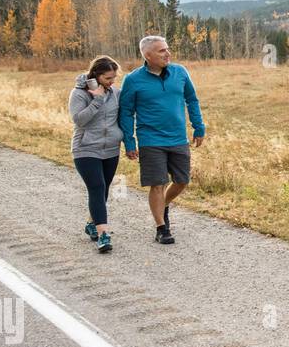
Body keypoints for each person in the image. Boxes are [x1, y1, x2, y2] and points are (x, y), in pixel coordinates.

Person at [118, 35, 207, 246]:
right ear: (147, 55)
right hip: (150, 140)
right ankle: (161, 228)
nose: (167, 53)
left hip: (178, 138)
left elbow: (192, 99)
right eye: (161, 51)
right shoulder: (133, 79)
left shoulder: (180, 72)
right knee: (157, 184)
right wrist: (129, 142)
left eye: (167, 49)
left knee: (182, 181)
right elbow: (126, 112)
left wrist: (199, 126)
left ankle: (163, 206)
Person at [69, 55, 123, 254]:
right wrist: (97, 100)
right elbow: (79, 120)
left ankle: (92, 223)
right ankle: (103, 235)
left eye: (114, 78)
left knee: (104, 189)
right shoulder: (79, 94)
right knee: (97, 187)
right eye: (108, 78)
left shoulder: (115, 92)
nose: (112, 82)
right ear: (96, 76)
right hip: (86, 148)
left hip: (110, 148)